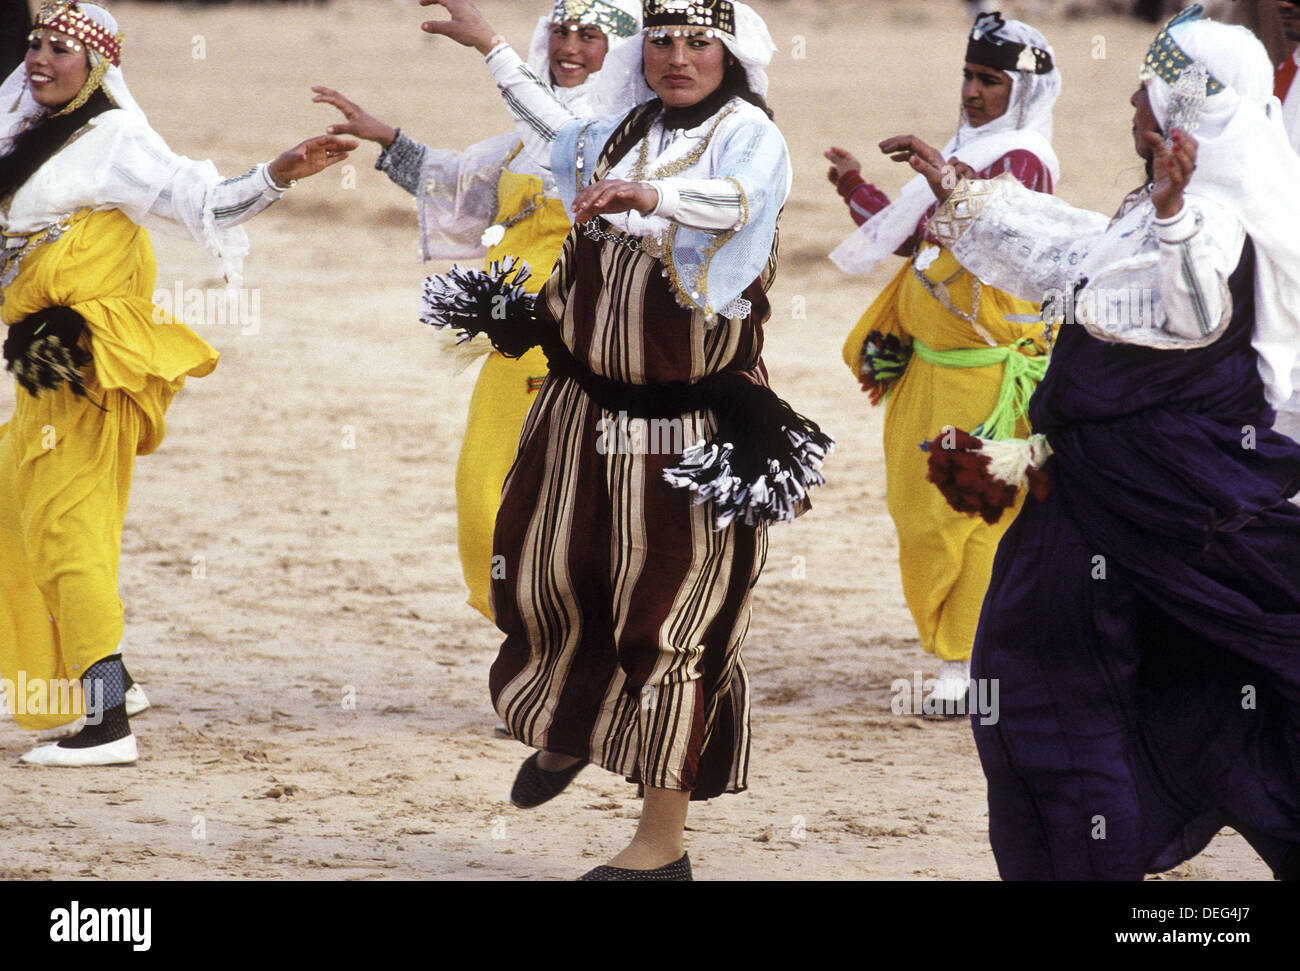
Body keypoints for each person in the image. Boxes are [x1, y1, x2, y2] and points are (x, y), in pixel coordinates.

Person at [420, 0, 823, 880]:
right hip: (581, 412)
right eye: (665, 41)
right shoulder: (625, 126)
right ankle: (570, 728)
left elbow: (736, 201)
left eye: (699, 43)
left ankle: (660, 845)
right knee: (546, 578)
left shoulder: (749, 134)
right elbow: (552, 121)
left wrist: (654, 195)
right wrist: (491, 47)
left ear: (732, 53)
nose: (679, 57)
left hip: (689, 428)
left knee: (670, 624)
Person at [907, 5, 1300, 878]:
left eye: (1151, 86)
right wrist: (970, 201)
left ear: (1187, 112)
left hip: (1127, 511)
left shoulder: (1211, 224)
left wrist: (1169, 218)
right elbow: (1081, 257)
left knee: (1050, 709)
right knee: (1164, 702)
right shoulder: (1174, 209)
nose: (1131, 95)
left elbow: (1191, 311)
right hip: (1112, 505)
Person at [0, 1, 356, 766]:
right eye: (34, 42)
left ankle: (104, 726)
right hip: (40, 372)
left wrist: (278, 173)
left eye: (61, 47)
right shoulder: (25, 129)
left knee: (69, 533)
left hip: (92, 367)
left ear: (97, 65)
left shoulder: (115, 138)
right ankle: (102, 684)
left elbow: (203, 200)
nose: (40, 58)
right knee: (17, 513)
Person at [311, 0, 641, 623]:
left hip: (587, 339)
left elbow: (571, 157)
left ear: (620, 52)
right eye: (562, 32)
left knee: (575, 505)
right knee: (485, 493)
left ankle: (576, 658)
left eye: (591, 36)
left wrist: (490, 43)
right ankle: (537, 642)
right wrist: (387, 138)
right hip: (514, 340)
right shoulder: (522, 140)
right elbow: (462, 185)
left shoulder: (626, 133)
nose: (570, 46)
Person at [827, 12, 1060, 712]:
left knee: (975, 515)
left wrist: (944, 176)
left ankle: (966, 668)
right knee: (920, 513)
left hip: (985, 377)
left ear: (1022, 93)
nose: (974, 91)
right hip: (926, 370)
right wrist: (855, 190)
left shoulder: (1022, 159)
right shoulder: (970, 149)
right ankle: (961, 654)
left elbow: (992, 234)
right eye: (969, 76)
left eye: (991, 80)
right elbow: (920, 238)